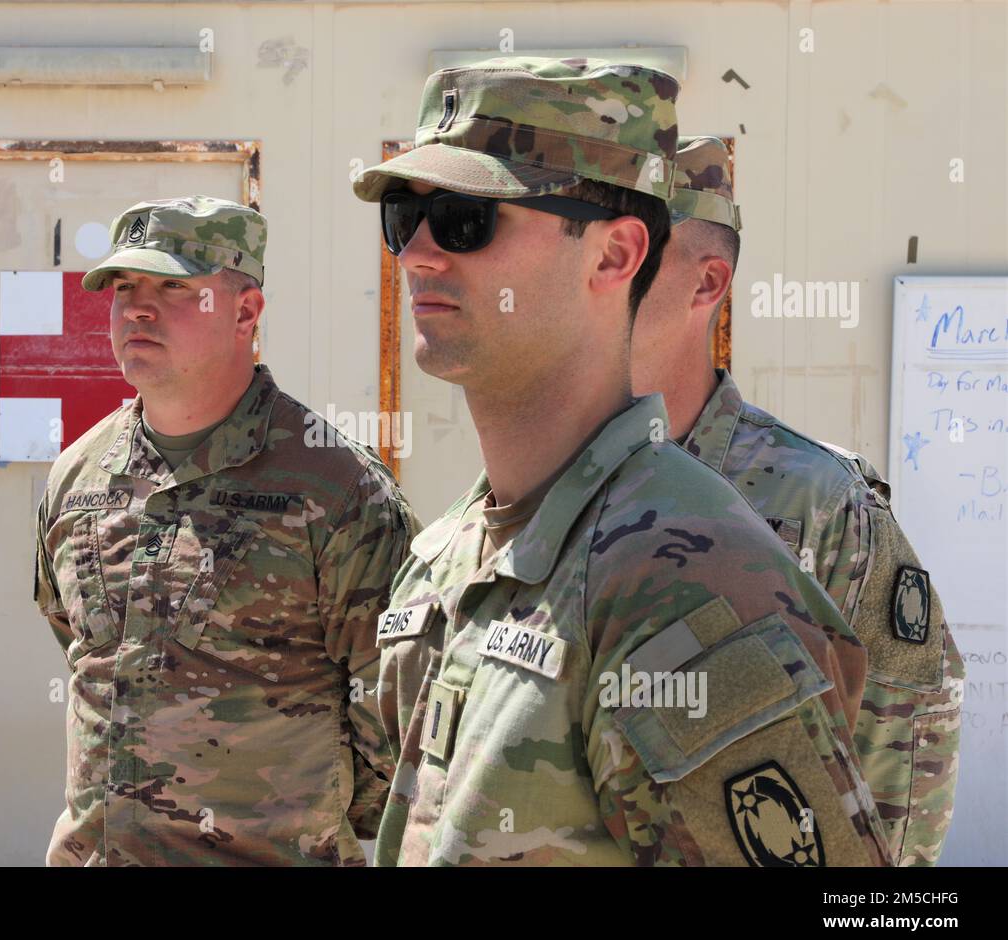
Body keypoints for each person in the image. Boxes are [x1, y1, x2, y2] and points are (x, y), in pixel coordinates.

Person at [352, 56, 891, 866]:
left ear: (614, 256)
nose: (419, 255)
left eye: (468, 219)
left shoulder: (685, 580)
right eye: (404, 217)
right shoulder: (445, 562)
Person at [33, 195, 418, 865]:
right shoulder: (79, 476)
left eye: (173, 287)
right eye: (125, 288)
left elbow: (390, 717)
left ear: (245, 312)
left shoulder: (337, 491)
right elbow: (79, 646)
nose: (139, 309)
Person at [631, 136, 964, 865]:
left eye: (631, 251)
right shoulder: (540, 488)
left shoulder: (821, 503)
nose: (595, 276)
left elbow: (899, 772)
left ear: (705, 283)